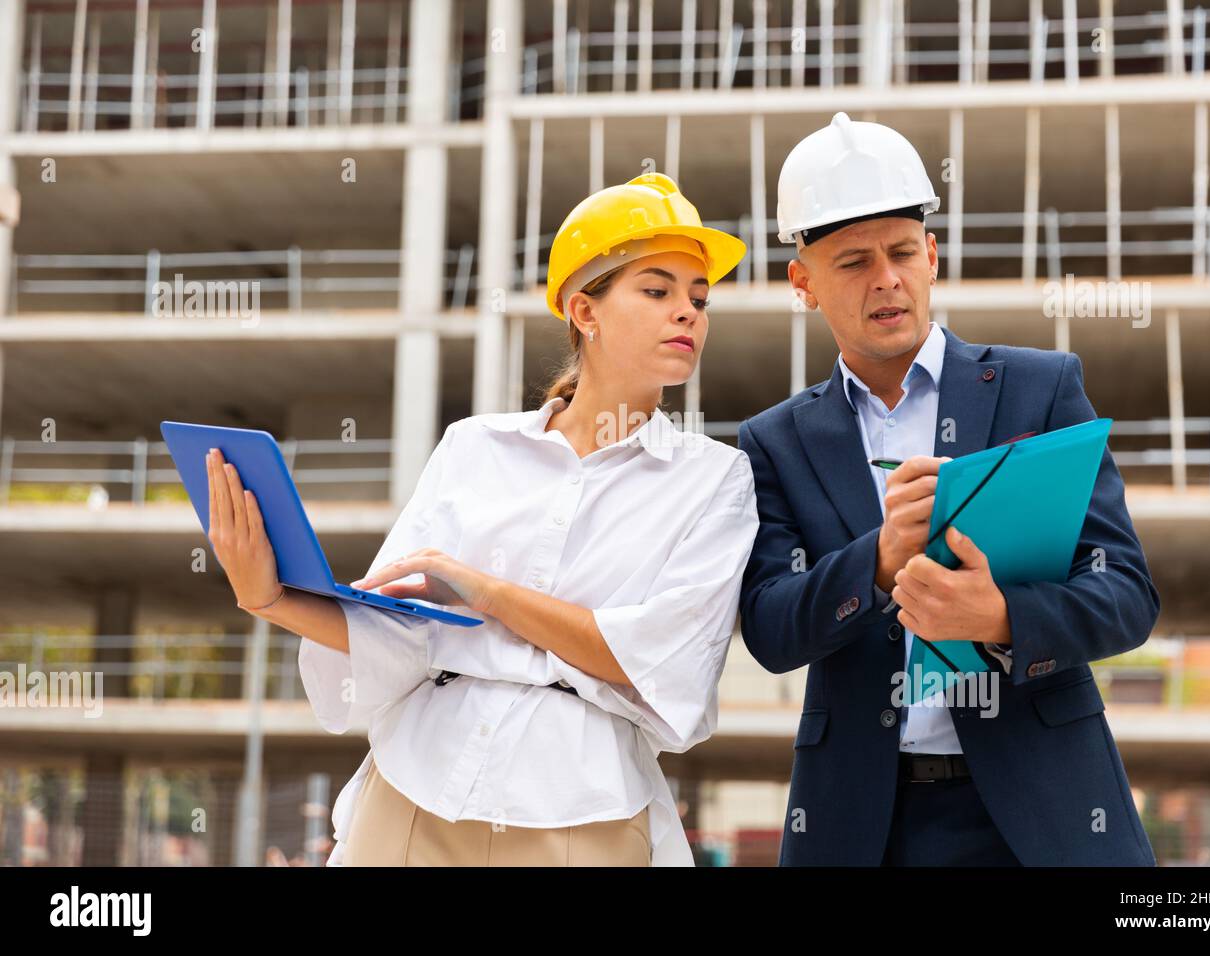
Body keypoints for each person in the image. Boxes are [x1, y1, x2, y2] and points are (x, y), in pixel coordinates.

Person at [205, 171, 757, 865]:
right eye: (658, 290)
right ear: (584, 312)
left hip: (584, 812)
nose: (688, 313)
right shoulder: (474, 446)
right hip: (413, 792)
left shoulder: (713, 480)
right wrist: (270, 597)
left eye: (699, 299)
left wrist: (485, 593)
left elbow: (654, 660)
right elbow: (395, 633)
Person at [737, 113, 1160, 866]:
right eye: (853, 263)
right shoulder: (776, 440)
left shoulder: (1041, 389)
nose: (887, 280)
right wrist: (876, 561)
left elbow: (1126, 594)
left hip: (1045, 813)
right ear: (802, 282)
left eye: (902, 252)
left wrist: (1002, 616)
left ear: (932, 255)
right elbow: (770, 630)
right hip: (864, 823)